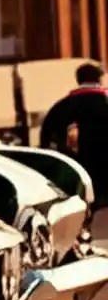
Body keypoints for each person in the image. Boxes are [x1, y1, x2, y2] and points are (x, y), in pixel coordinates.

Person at [40, 62, 108, 208]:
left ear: (78, 80)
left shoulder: (64, 105)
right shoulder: (105, 101)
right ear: (99, 80)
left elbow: (47, 136)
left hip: (80, 167)